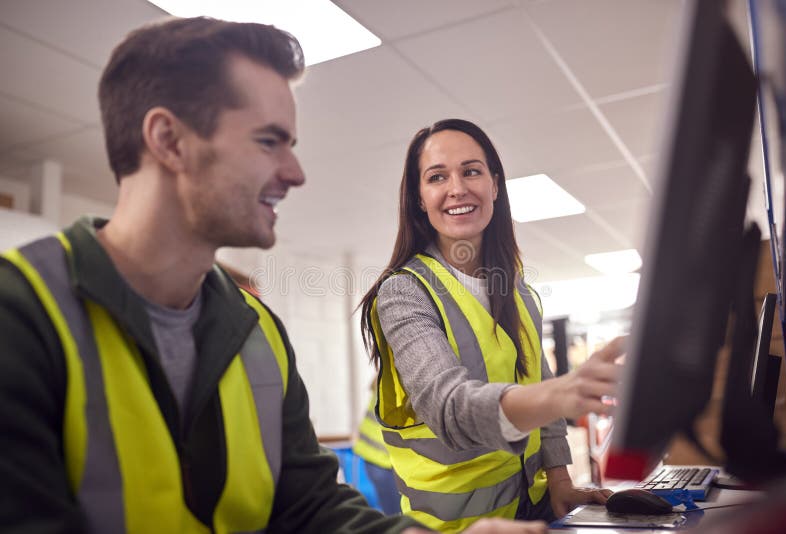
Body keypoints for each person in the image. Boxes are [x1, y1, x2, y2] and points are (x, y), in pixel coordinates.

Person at [0, 17, 553, 534]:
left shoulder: (258, 332)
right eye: (269, 141)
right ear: (169, 140)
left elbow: (308, 505)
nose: (294, 173)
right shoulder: (21, 314)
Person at [359, 118, 624, 532]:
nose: (457, 188)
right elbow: (449, 407)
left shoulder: (519, 292)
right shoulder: (404, 293)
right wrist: (559, 394)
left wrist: (560, 481)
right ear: (419, 199)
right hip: (459, 528)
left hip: (535, 509)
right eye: (437, 177)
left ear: (495, 186)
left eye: (471, 171)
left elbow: (540, 383)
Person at [352, 386, 402, 515]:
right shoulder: (402, 378)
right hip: (384, 460)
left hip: (375, 457)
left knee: (394, 514)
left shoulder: (386, 374)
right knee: (397, 515)